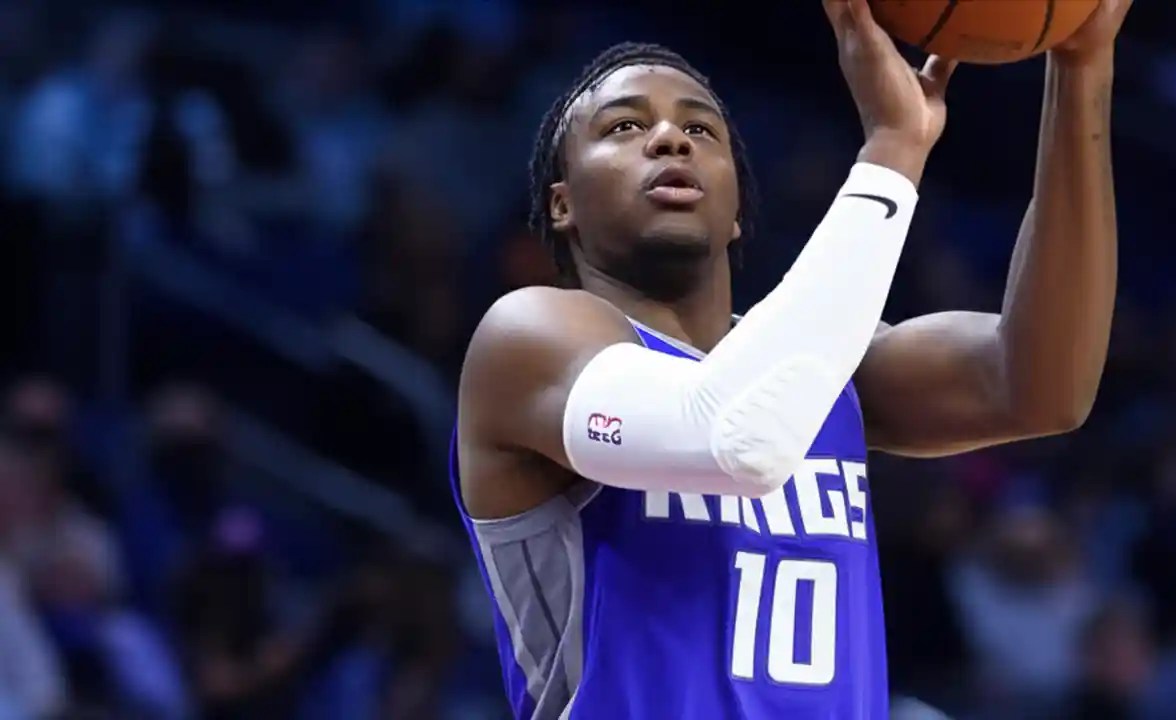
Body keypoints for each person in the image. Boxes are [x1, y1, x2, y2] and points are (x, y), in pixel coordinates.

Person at [451, 0, 1132, 717]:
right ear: (562, 203)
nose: (669, 140)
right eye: (625, 126)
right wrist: (895, 148)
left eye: (699, 128)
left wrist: (1082, 66)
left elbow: (1044, 387)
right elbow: (732, 438)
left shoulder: (822, 368)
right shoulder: (526, 339)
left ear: (738, 204)